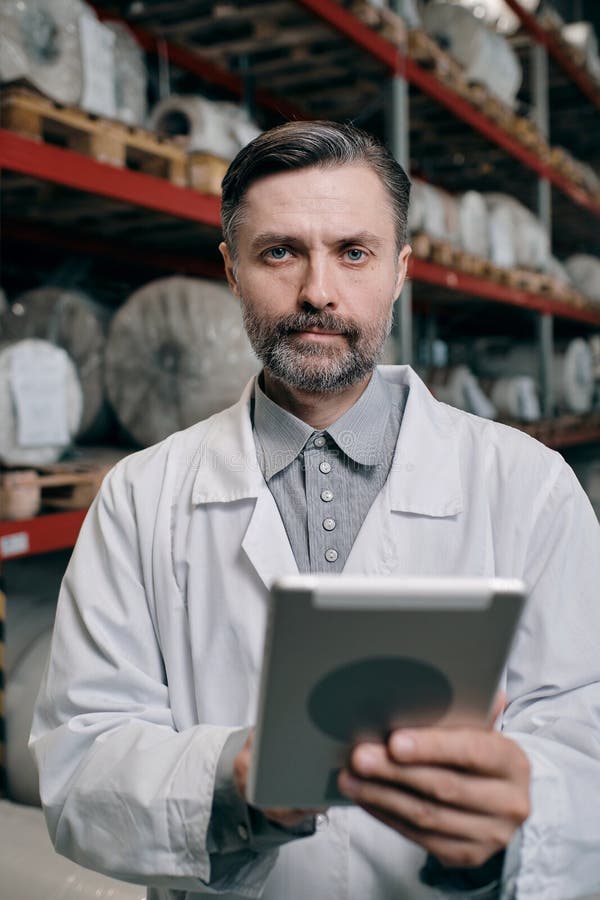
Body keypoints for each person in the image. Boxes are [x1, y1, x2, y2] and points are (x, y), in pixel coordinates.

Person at [31, 121, 600, 900]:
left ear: (400, 271)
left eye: (354, 252)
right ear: (231, 270)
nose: (318, 292)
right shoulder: (141, 497)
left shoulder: (529, 487)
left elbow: (586, 727)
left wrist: (523, 817)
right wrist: (232, 782)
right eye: (280, 252)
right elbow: (80, 758)